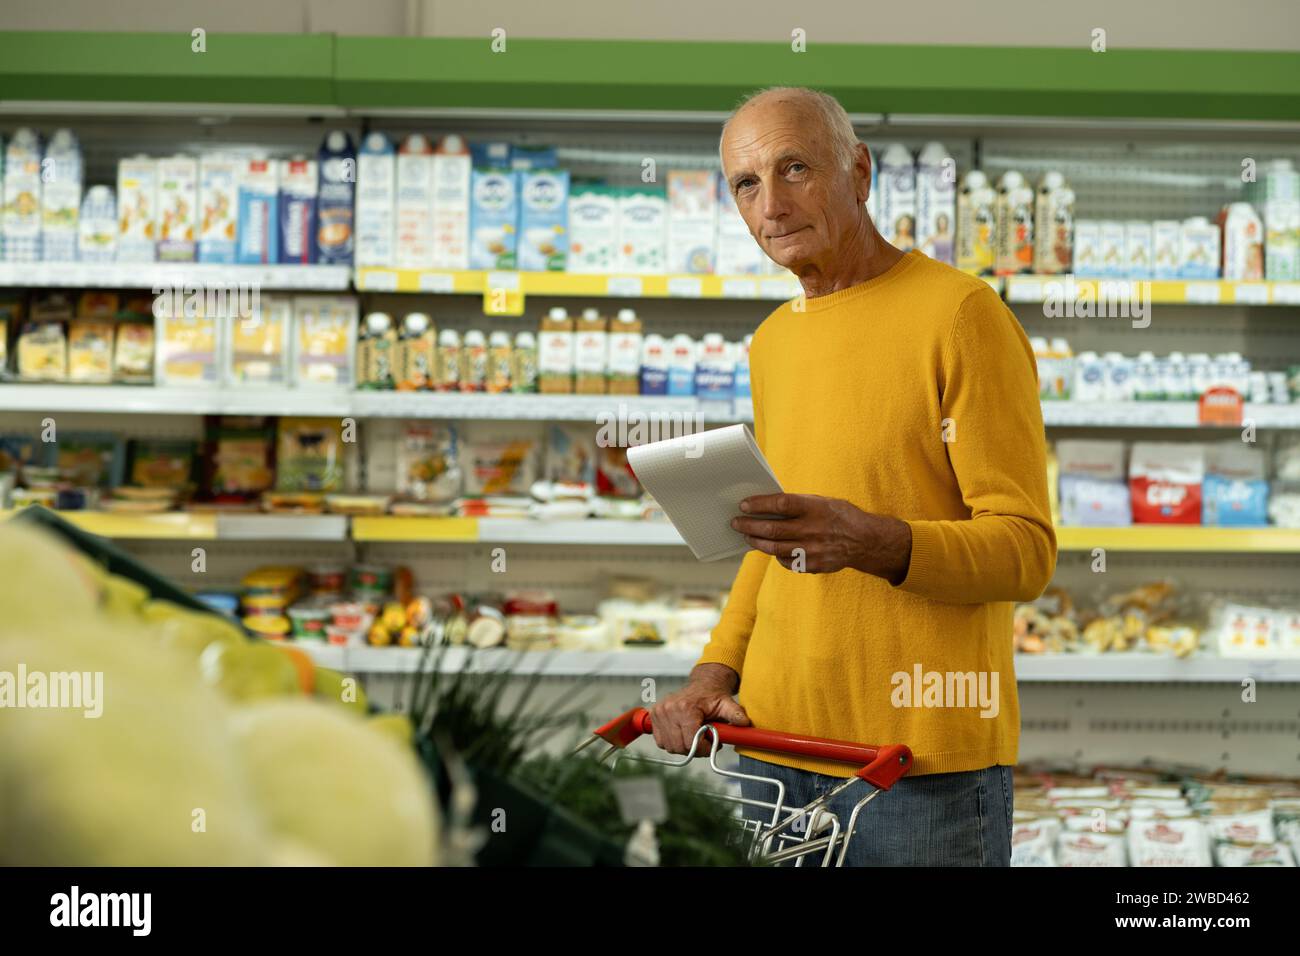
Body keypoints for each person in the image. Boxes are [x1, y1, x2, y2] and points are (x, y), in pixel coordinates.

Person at [649, 87, 1056, 866]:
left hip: (914, 769)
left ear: (859, 171)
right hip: (769, 748)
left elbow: (1025, 550)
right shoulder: (773, 341)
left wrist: (877, 541)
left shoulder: (962, 315)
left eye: (794, 168)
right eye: (746, 183)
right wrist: (712, 672)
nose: (771, 204)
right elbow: (768, 541)